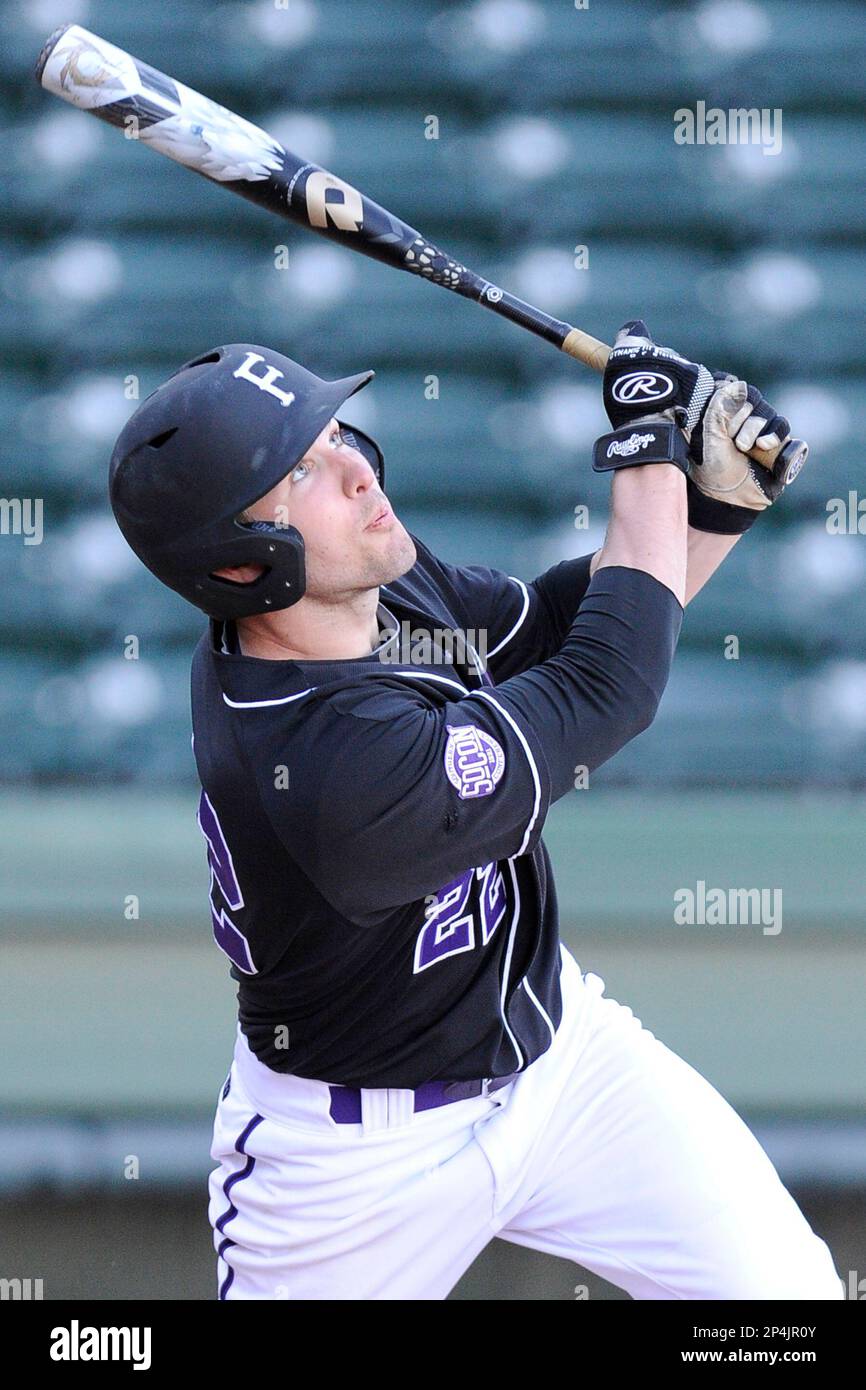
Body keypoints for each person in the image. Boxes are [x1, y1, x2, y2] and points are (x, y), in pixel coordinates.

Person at [108, 323, 843, 1300]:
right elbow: (605, 688)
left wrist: (710, 498)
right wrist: (643, 451)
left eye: (334, 436)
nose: (353, 471)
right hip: (350, 1168)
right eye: (299, 473)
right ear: (244, 562)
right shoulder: (325, 765)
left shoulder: (372, 584)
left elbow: (555, 637)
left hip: (563, 1065)